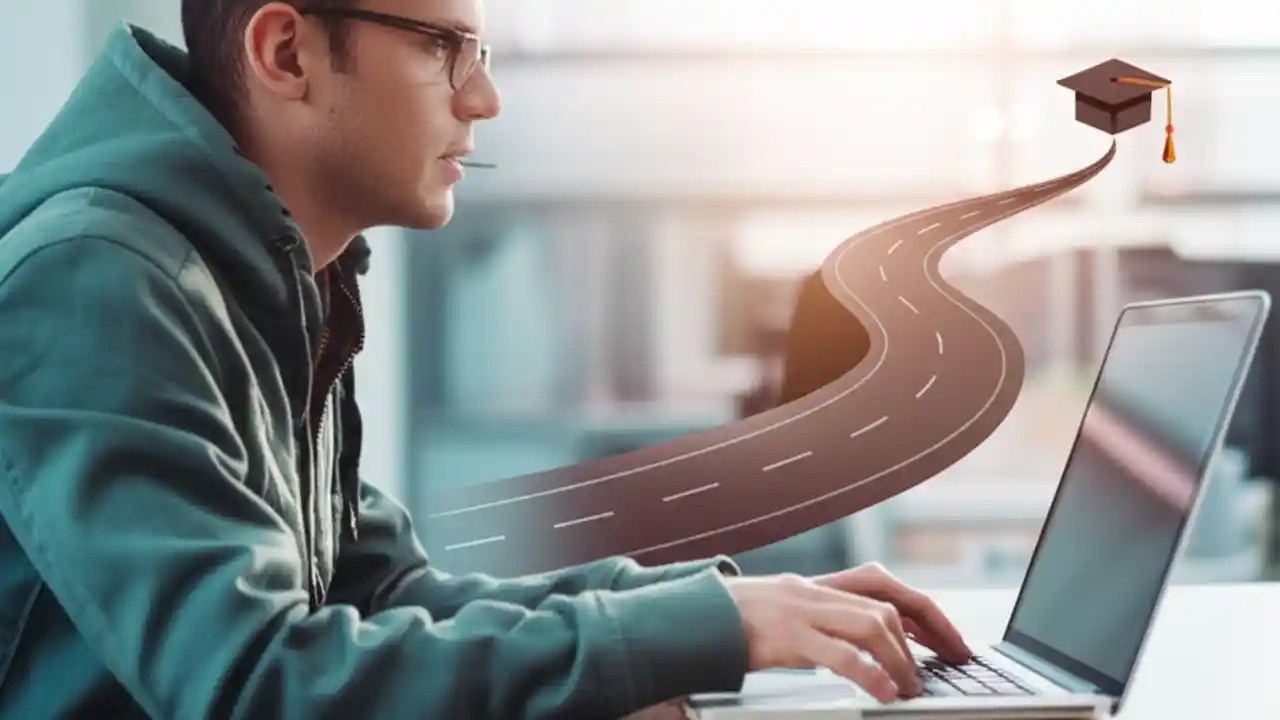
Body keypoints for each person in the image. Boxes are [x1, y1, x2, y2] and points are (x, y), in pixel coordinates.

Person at [0, 1, 973, 717]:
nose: (486, 97)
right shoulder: (101, 279)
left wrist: (714, 608)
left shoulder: (276, 277)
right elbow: (251, 682)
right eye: (441, 48)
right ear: (285, 50)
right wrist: (694, 638)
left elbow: (382, 594)